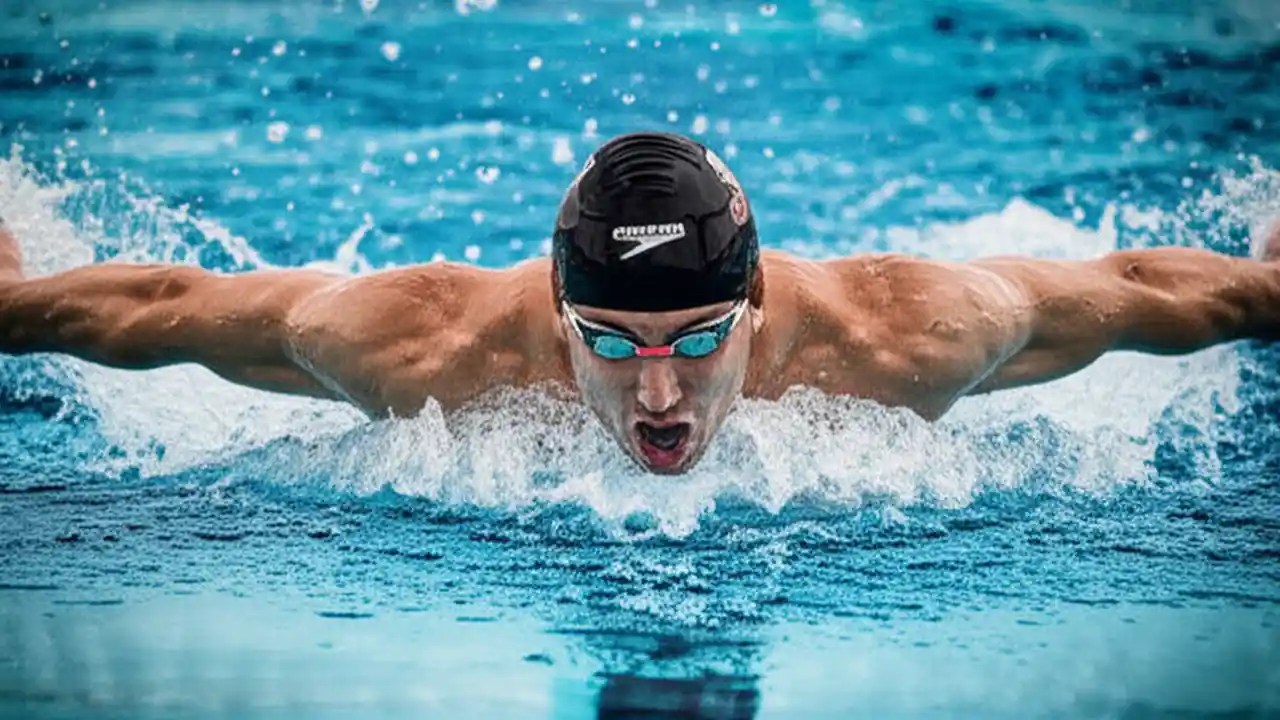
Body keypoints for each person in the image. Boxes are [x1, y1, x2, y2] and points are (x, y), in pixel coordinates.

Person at [1, 132, 1277, 474]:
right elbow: (170, 306)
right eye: (609, 342)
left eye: (696, 340)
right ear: (556, 312)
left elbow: (1122, 290)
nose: (656, 394)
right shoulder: (418, 346)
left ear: (758, 302)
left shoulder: (906, 335)